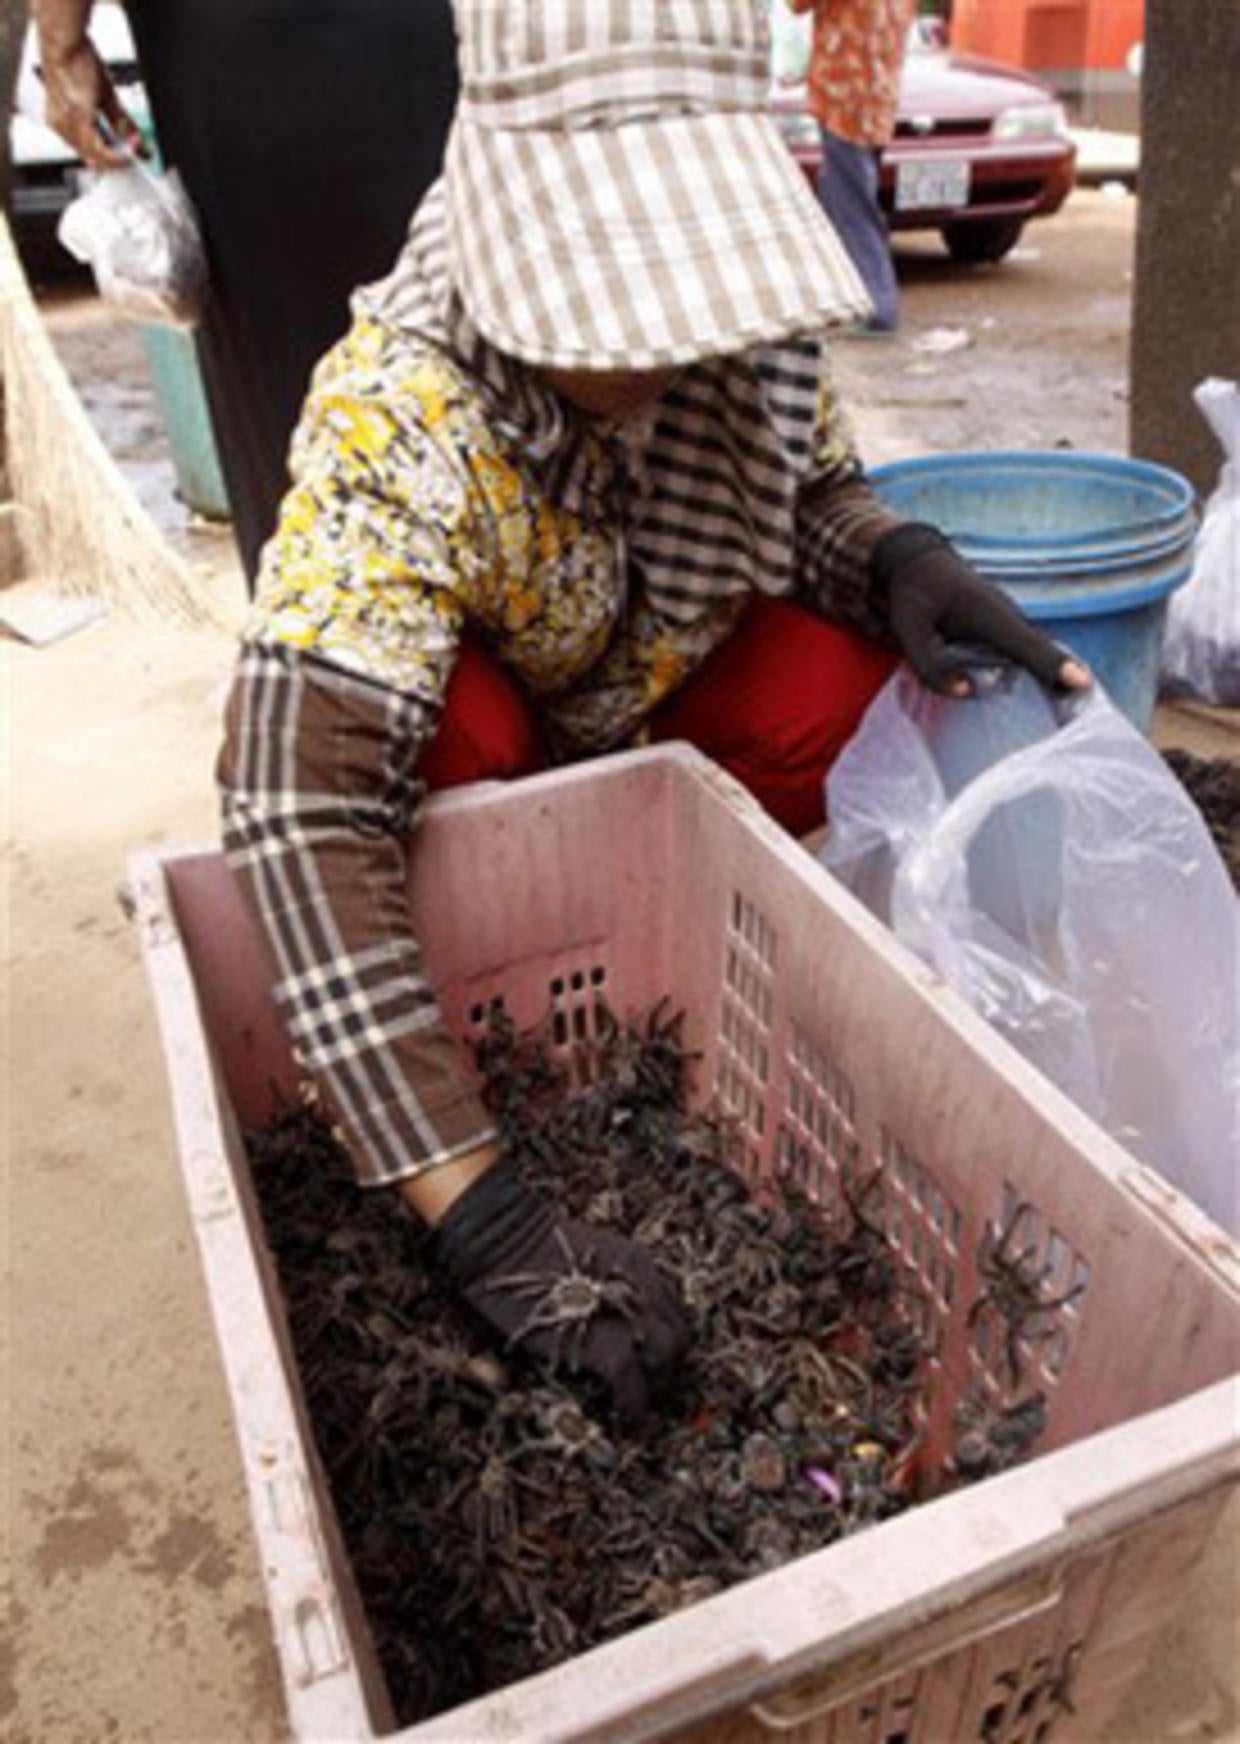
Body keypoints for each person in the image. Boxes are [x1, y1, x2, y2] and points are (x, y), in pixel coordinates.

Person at [217, 0, 1090, 1422]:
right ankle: (457, 1040)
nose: (656, 354)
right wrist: (489, 1217)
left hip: (663, 705)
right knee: (448, 748)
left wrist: (895, 556)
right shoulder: (402, 407)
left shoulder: (744, 354)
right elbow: (291, 799)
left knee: (845, 676)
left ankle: (750, 936)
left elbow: (809, 492)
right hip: (516, 740)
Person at [31, 0, 459, 581]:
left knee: (293, 372)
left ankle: (327, 641)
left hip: (239, 47)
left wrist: (62, 47)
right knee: (445, 331)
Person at [786, 0, 917, 333]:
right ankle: (837, 297)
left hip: (844, 98)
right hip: (877, 99)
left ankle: (877, 309)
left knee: (853, 208)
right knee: (838, 198)